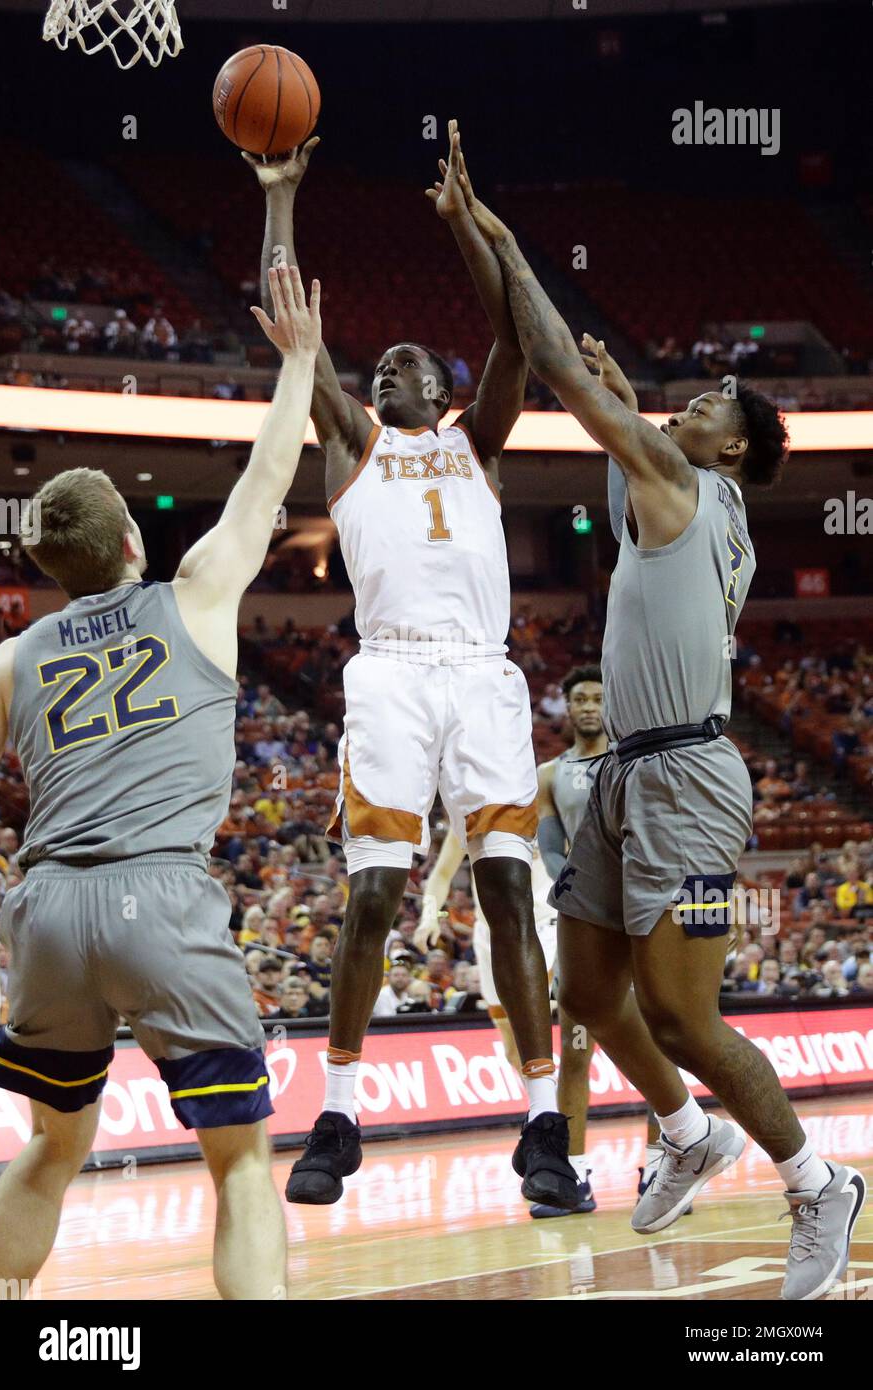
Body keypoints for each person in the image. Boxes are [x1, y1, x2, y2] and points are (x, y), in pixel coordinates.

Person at [454, 127, 865, 1300]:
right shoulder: (665, 487)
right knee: (586, 995)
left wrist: (501, 237)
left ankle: (812, 1179)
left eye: (712, 401)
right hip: (625, 775)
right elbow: (569, 384)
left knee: (682, 1015)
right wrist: (471, 243)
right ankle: (686, 1131)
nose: (693, 400)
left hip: (685, 776)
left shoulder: (690, 480)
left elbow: (558, 371)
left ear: (731, 447)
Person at [246, 123, 579, 1213]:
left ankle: (542, 1130)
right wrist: (280, 193)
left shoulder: (476, 438)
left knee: (505, 890)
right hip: (388, 673)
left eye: (403, 363)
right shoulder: (351, 442)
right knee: (373, 895)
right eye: (377, 364)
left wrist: (463, 228)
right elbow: (291, 322)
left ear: (435, 385)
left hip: (482, 676)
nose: (383, 368)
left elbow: (516, 334)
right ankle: (337, 1115)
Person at [0, 262, 321, 1300]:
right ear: (132, 543)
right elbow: (267, 479)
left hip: (43, 908)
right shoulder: (196, 593)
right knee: (239, 1163)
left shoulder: (10, 658)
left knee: (50, 1149)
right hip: (158, 896)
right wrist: (301, 359)